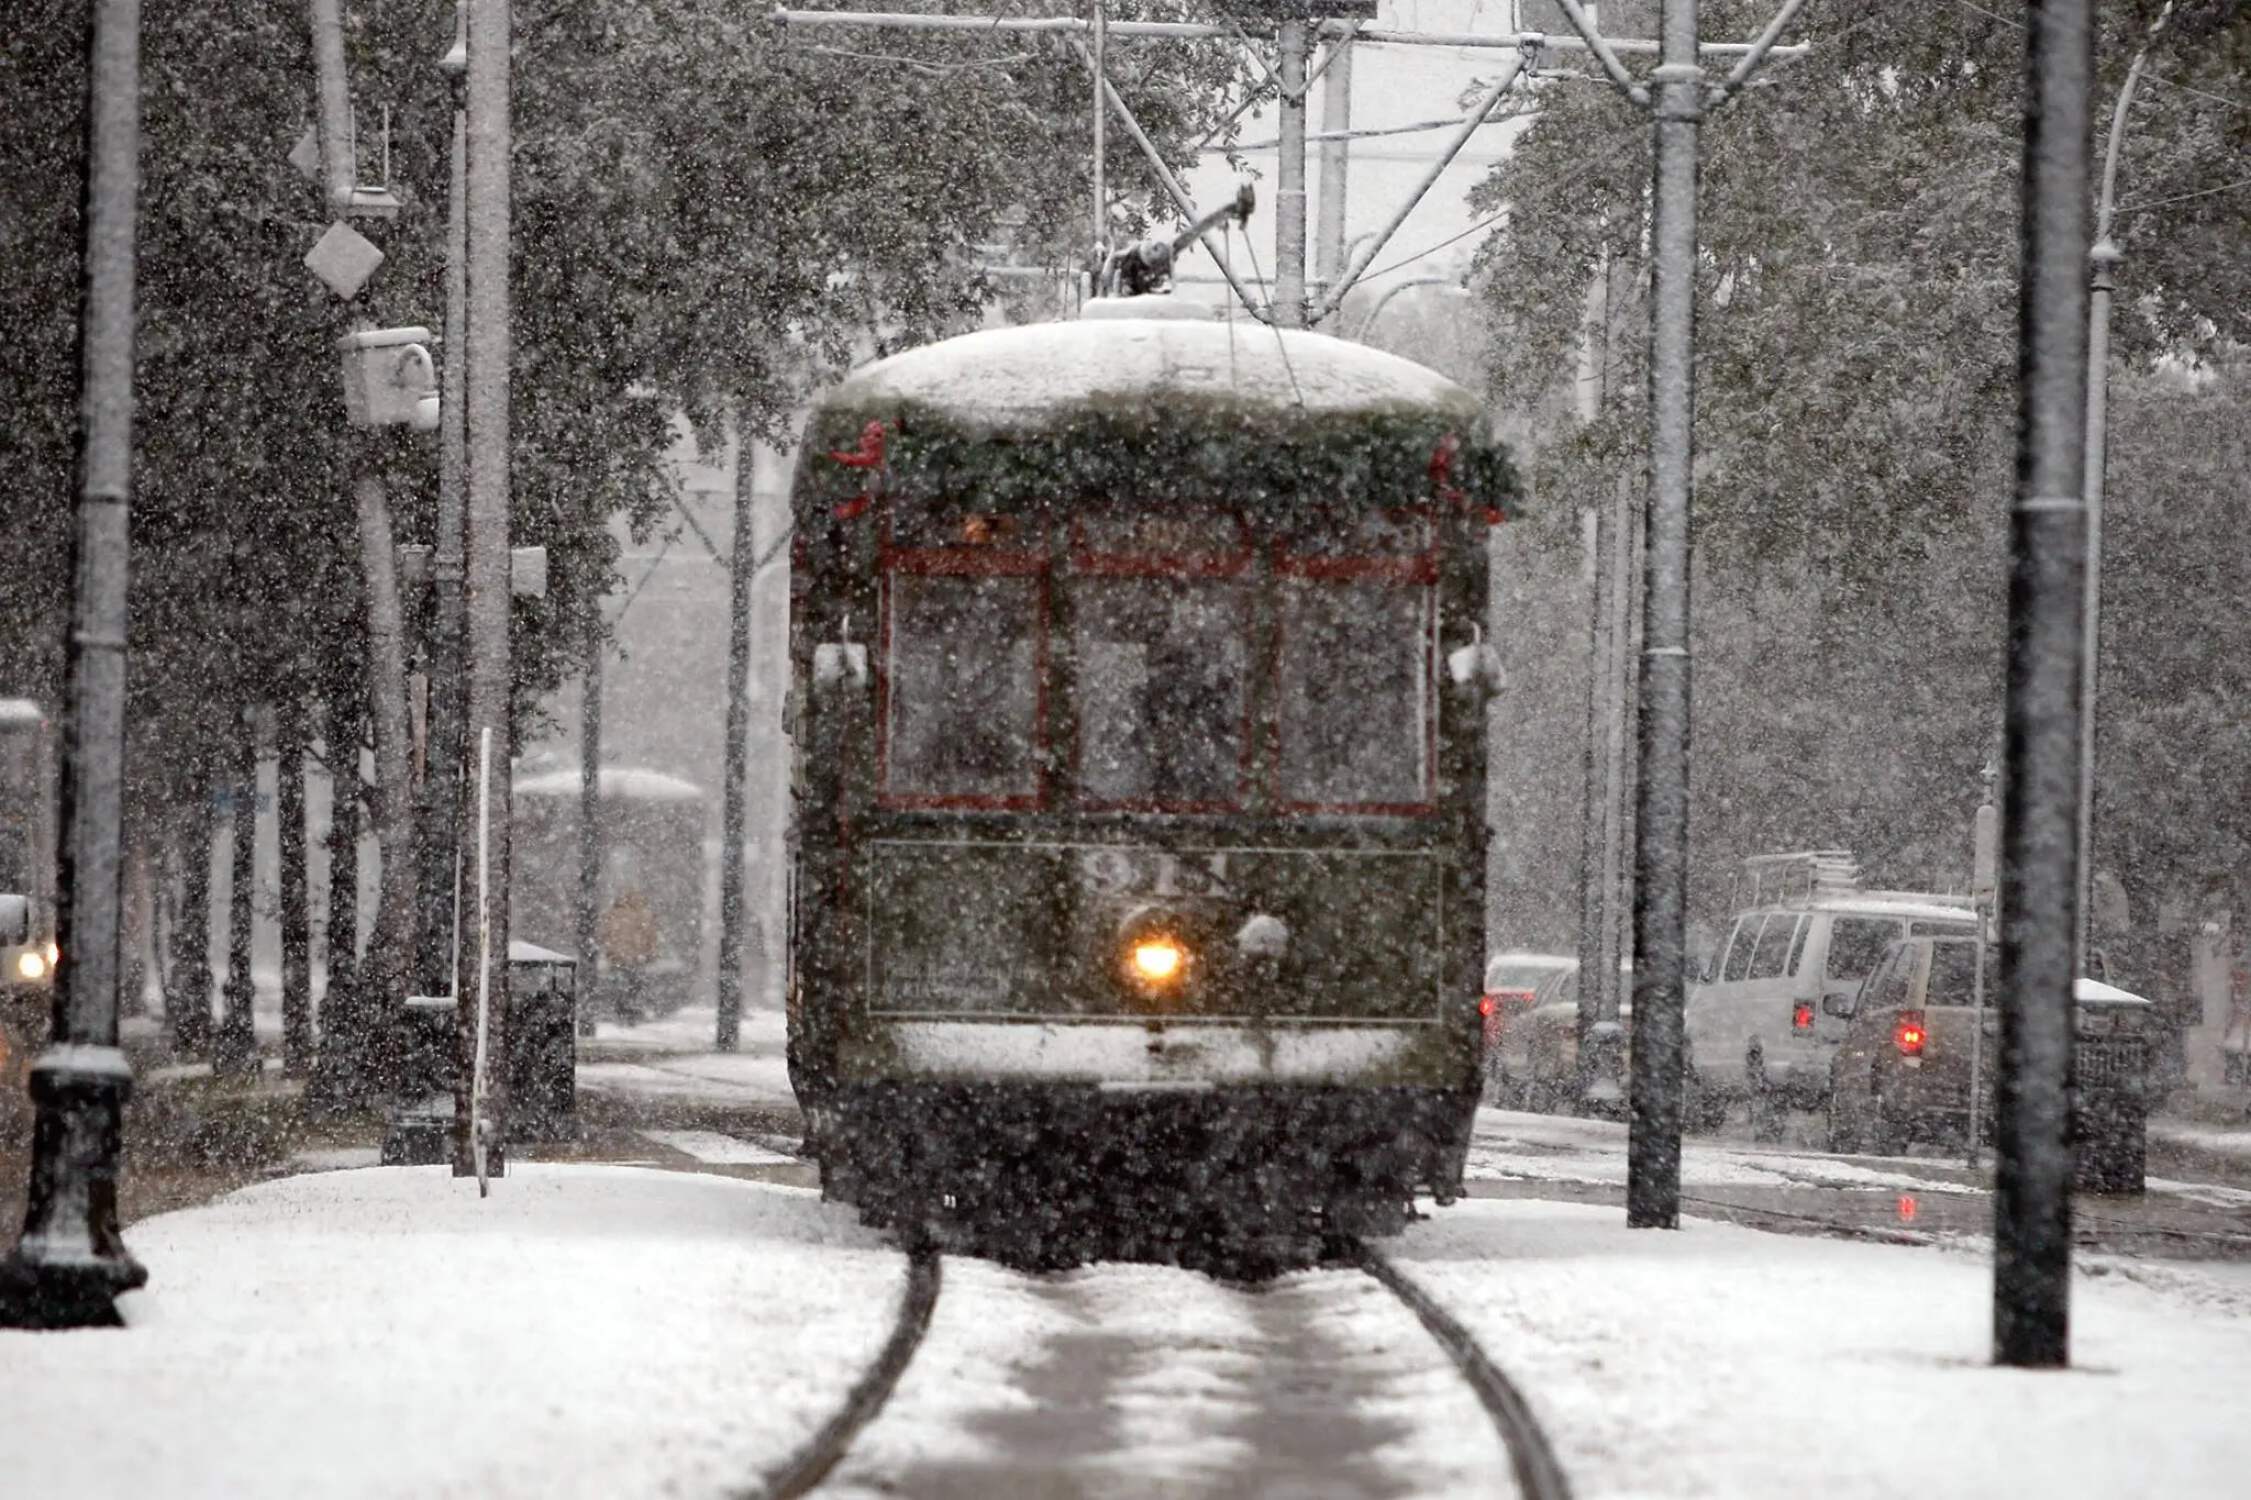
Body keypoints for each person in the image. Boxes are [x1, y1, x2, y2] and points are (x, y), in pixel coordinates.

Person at [598, 888, 660, 1025]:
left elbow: (605, 935)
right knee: (634, 984)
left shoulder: (613, 914)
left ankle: (622, 1010)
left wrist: (609, 951)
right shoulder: (644, 914)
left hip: (618, 957)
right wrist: (650, 952)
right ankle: (630, 1011)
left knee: (621, 985)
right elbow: (651, 936)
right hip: (636, 957)